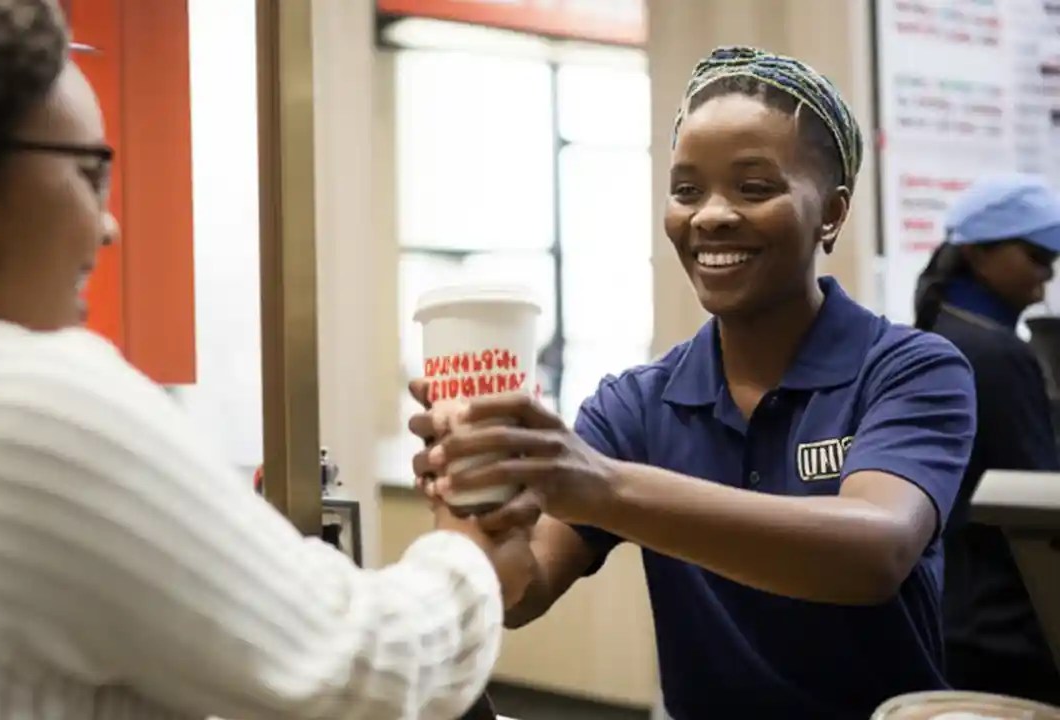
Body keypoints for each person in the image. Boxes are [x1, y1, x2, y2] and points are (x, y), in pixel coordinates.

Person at [0, 2, 535, 719]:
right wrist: (470, 560)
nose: (107, 224)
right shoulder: (12, 406)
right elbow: (352, 671)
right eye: (86, 171)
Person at [410, 46, 978, 719]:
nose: (709, 215)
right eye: (686, 190)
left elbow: (873, 554)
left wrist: (605, 487)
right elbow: (519, 592)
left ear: (832, 210)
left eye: (754, 187)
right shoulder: (638, 404)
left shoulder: (911, 369)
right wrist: (469, 496)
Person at [911, 174, 1060, 704]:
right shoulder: (995, 353)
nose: (1045, 276)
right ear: (977, 253)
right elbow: (1038, 495)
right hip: (1005, 624)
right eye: (1037, 256)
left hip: (954, 610)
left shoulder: (942, 332)